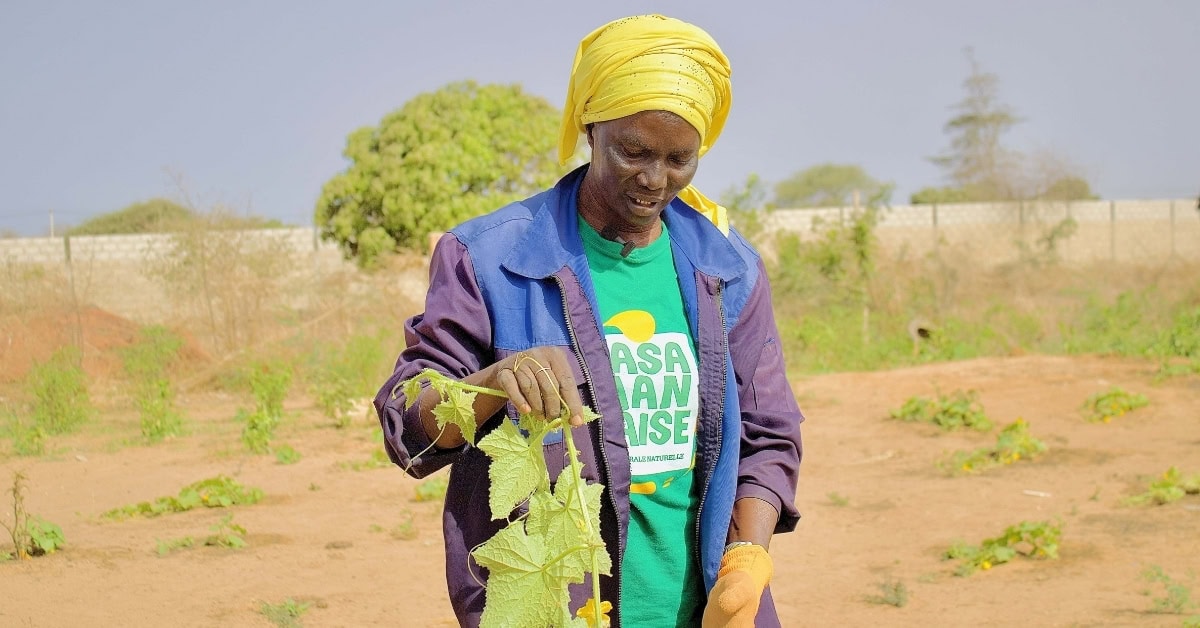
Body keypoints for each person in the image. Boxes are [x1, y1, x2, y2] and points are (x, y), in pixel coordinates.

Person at [374, 14, 803, 628]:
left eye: (680, 160)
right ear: (591, 127)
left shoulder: (726, 269)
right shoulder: (491, 259)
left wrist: (744, 556)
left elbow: (769, 431)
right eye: (634, 153)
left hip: (703, 609)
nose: (655, 181)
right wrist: (493, 382)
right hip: (552, 611)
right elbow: (405, 422)